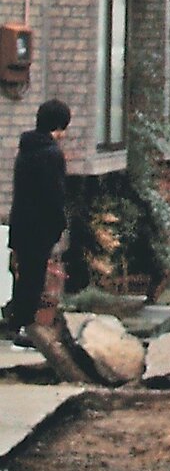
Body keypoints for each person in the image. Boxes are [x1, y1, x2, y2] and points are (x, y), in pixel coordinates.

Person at [4, 99, 71, 341]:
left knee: (24, 277)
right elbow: (55, 195)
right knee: (34, 279)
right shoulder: (51, 155)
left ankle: (16, 323)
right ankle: (26, 327)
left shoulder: (26, 149)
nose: (63, 135)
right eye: (63, 128)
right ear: (57, 126)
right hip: (40, 227)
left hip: (21, 223)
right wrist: (59, 224)